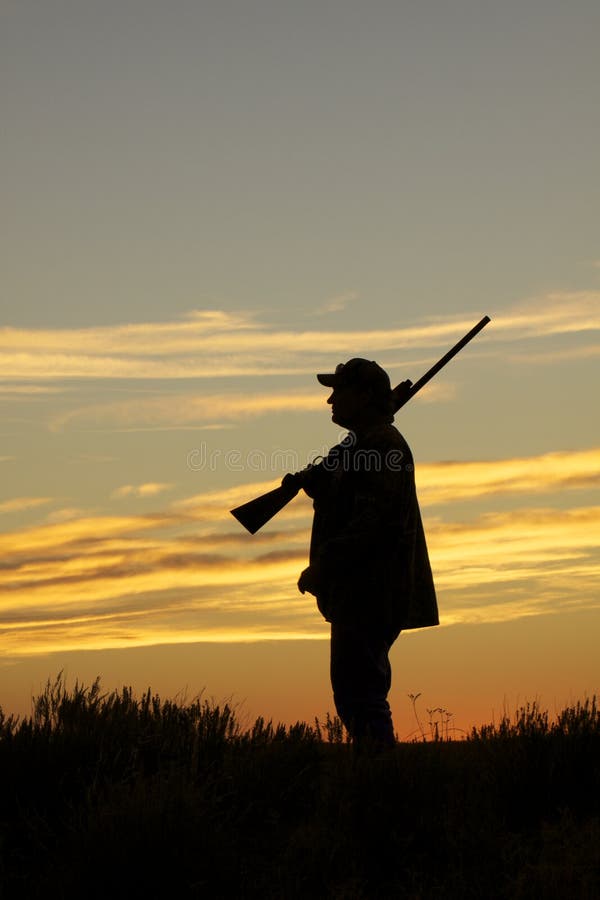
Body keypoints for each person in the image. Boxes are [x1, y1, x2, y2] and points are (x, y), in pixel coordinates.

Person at [296, 358, 438, 749]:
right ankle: (375, 781)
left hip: (371, 591)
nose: (330, 401)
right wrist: (317, 484)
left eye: (338, 391)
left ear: (363, 397)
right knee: (355, 695)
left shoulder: (383, 445)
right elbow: (350, 504)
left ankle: (378, 786)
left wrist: (323, 565)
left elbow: (375, 521)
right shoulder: (362, 446)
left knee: (362, 696)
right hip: (360, 591)